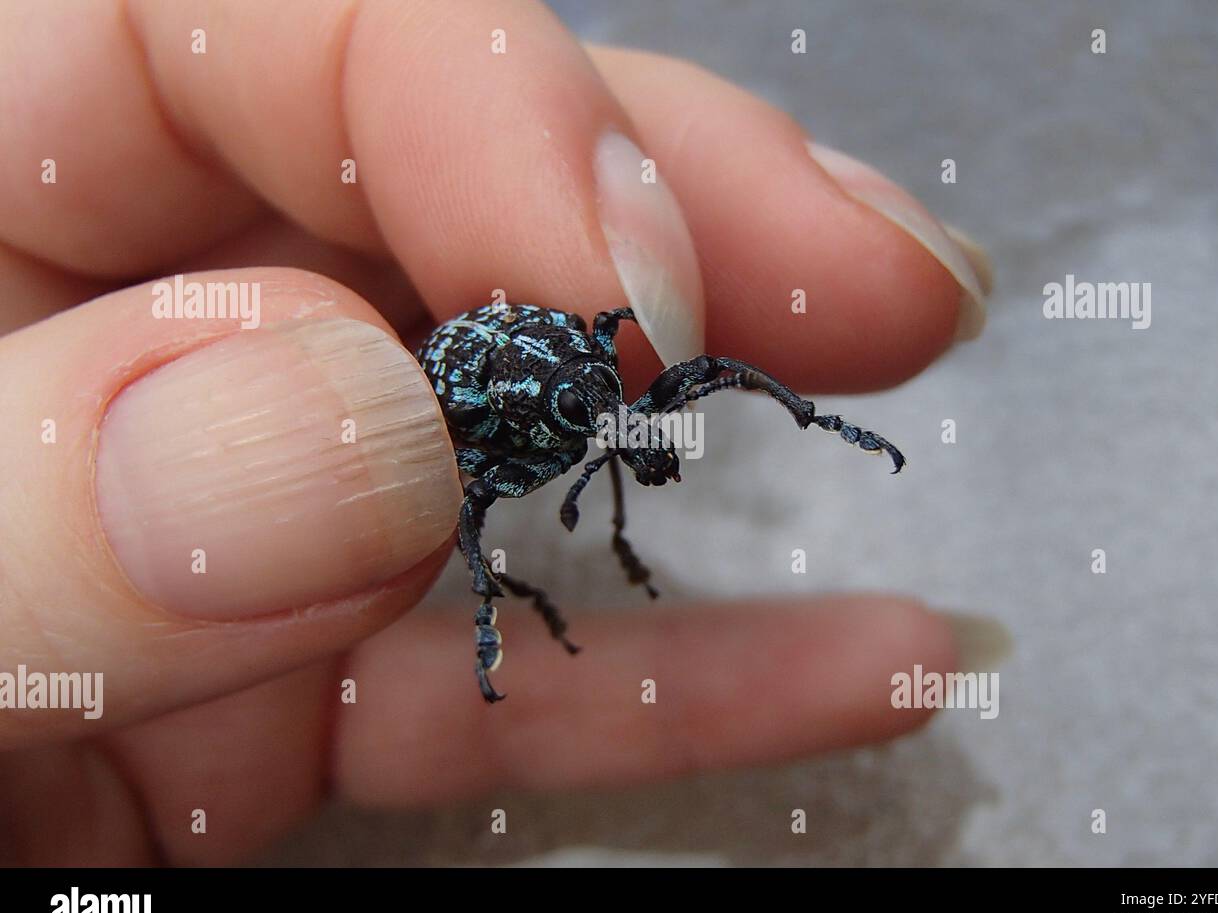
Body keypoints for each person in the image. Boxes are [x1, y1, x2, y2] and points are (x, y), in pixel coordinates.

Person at [0, 0, 999, 865]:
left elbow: (655, 369)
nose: (628, 436)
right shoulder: (532, 409)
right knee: (468, 515)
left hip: (536, 383)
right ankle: (497, 612)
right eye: (600, 423)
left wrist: (813, 416)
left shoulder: (598, 383)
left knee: (622, 415)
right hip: (469, 399)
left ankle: (723, 466)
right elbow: (505, 447)